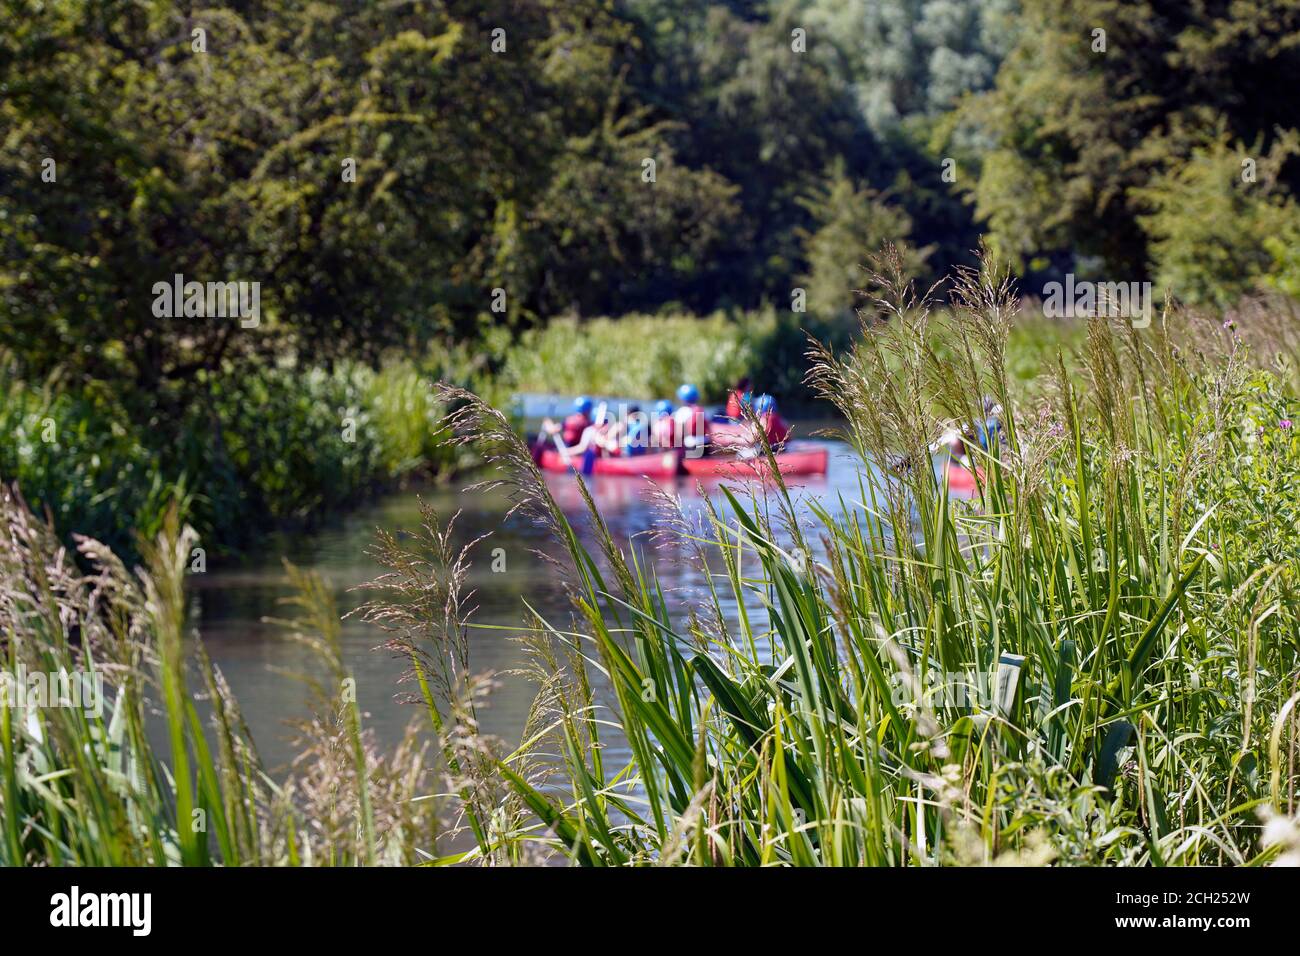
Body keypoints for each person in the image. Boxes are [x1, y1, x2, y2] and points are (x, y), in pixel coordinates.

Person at [674, 383, 710, 455]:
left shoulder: (682, 412)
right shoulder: (702, 409)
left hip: (691, 444)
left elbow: (678, 434)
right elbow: (709, 428)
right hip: (706, 443)